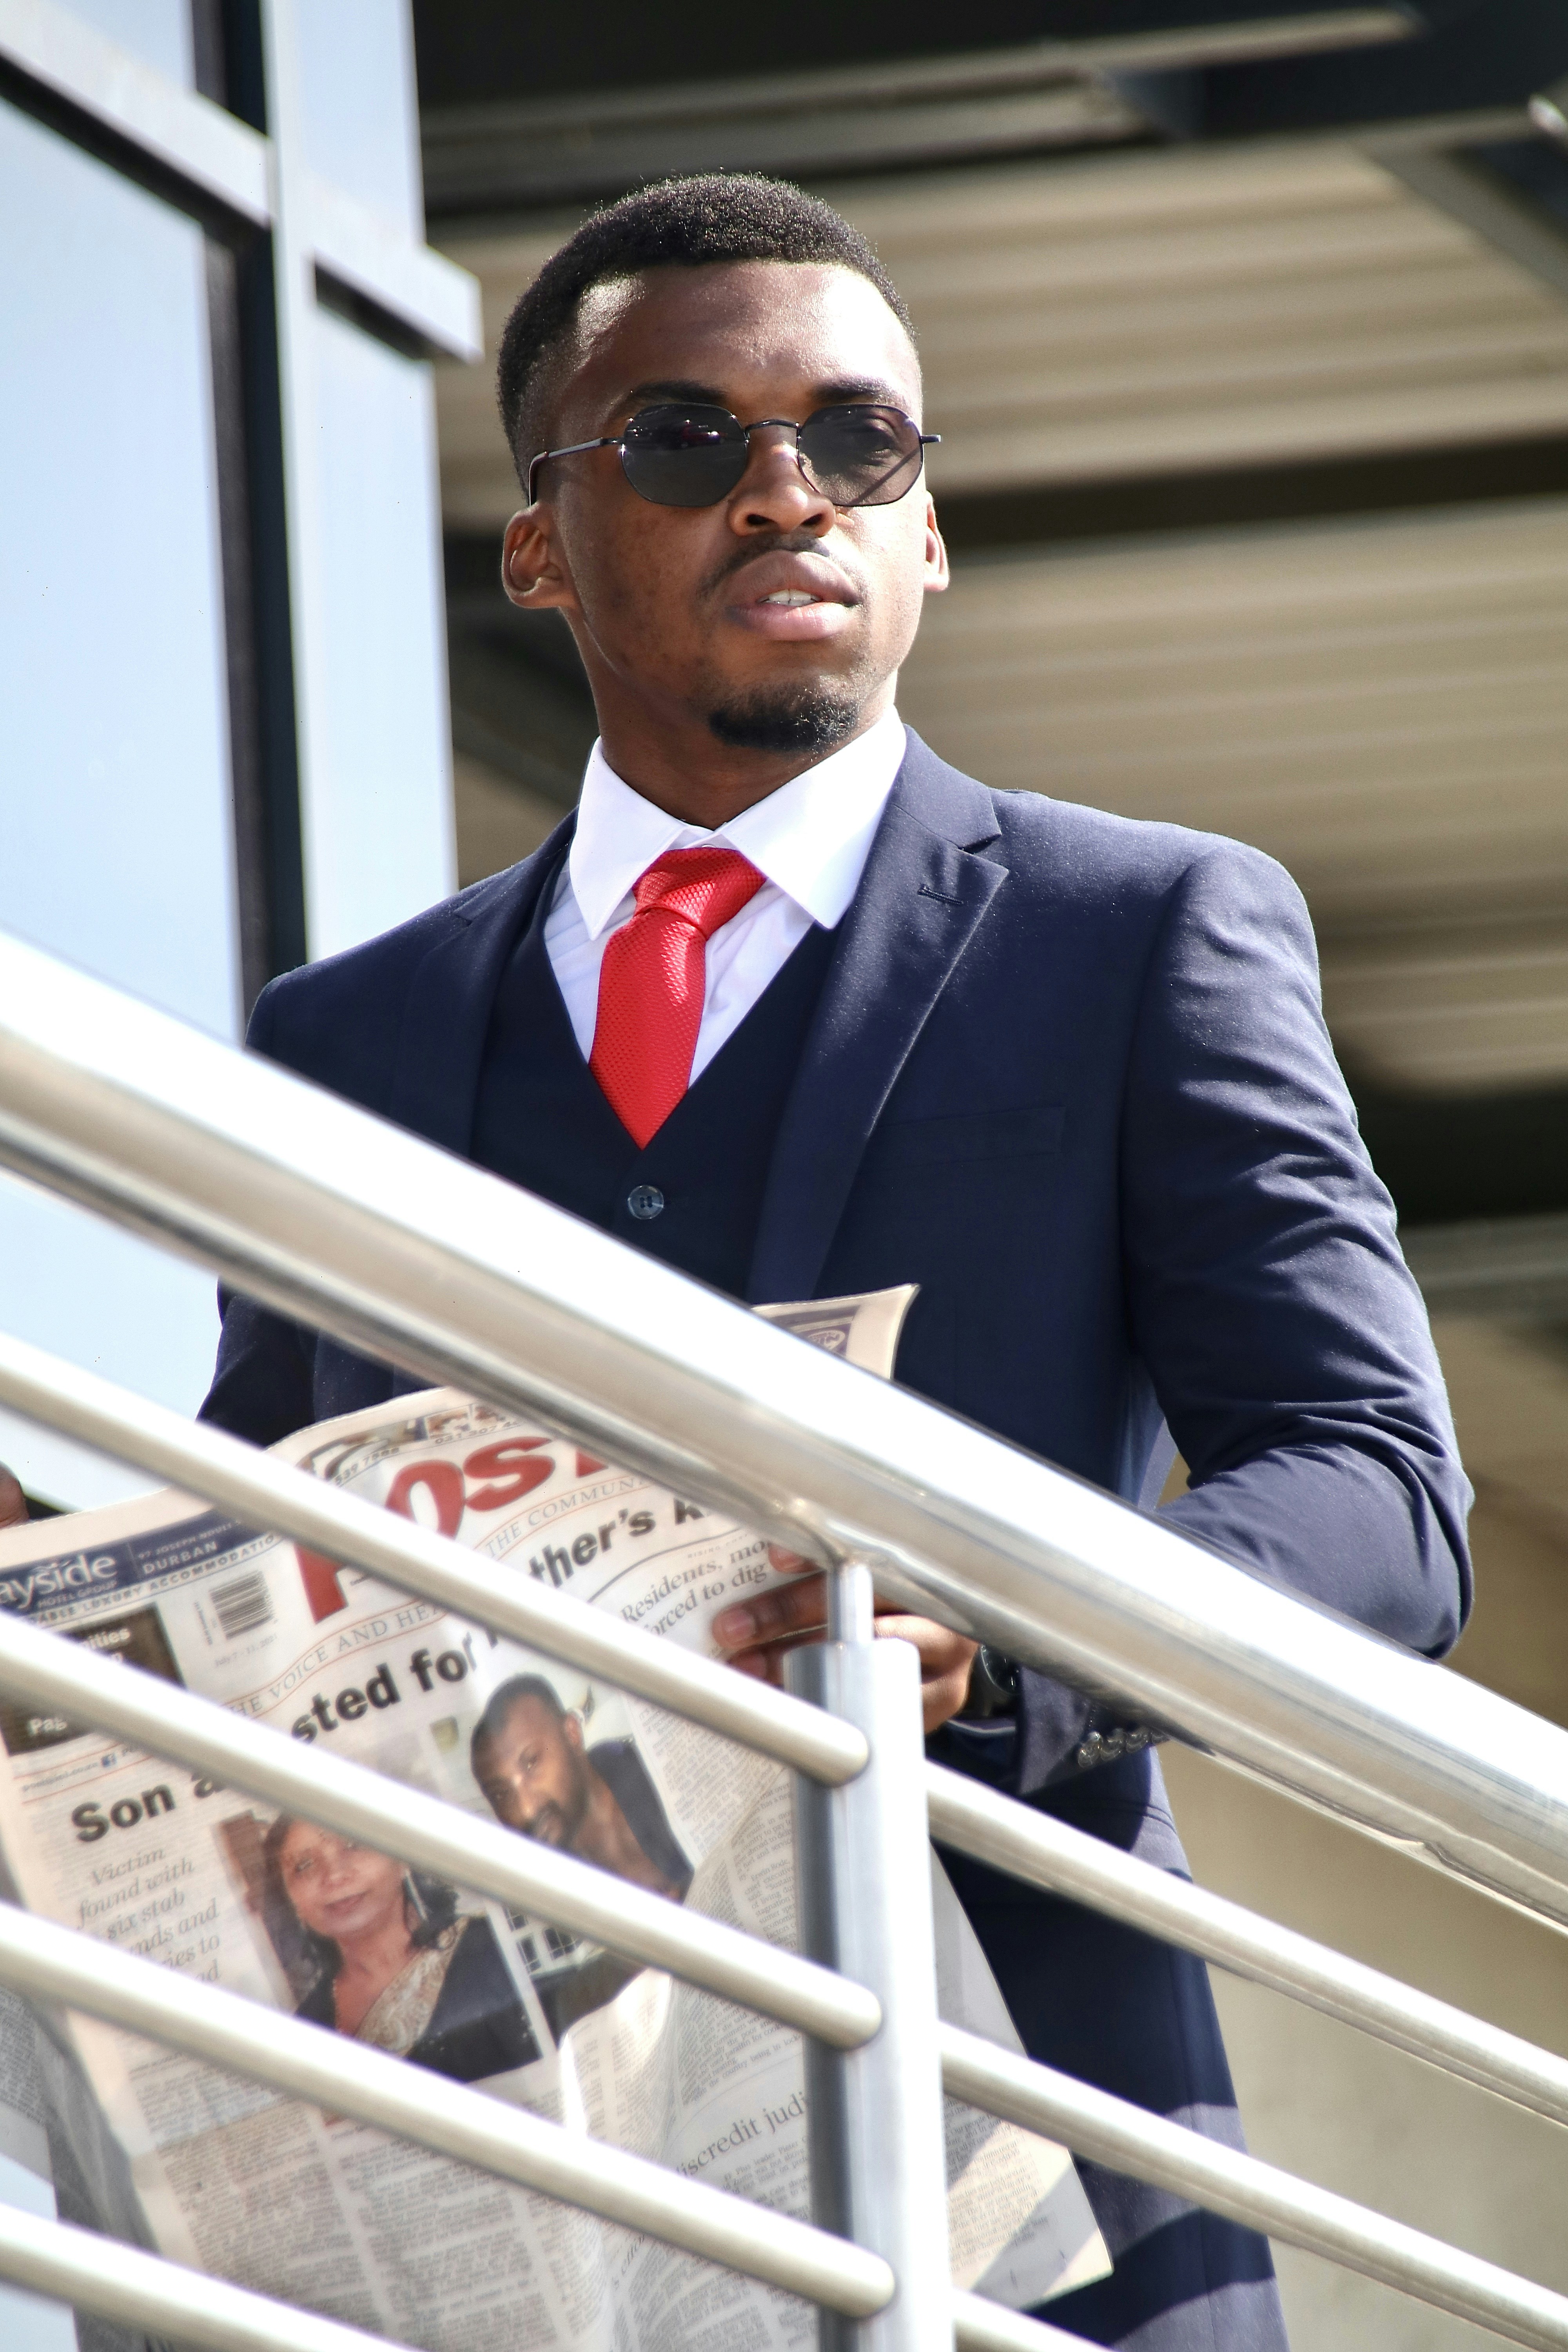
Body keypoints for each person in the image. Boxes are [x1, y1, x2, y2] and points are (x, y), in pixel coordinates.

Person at [152, 175, 1467, 2346]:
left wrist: (1004, 1639)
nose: (786, 489)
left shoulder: (1140, 932)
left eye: (856, 439)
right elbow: (274, 1562)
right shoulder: (344, 1038)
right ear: (537, 544)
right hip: (507, 2200)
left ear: (924, 530)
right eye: (686, 439)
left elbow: (1379, 1496)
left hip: (1007, 2164)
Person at [263, 1816, 537, 2083]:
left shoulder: (500, 1945)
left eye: (355, 1845)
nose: (334, 1876)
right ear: (290, 1899)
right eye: (305, 1865)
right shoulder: (307, 2028)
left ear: (401, 1857)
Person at [470, 1674, 692, 1901]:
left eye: (531, 1763)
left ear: (572, 1733)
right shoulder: (556, 1889)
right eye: (501, 1794)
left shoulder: (662, 1776)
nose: (526, 1809)